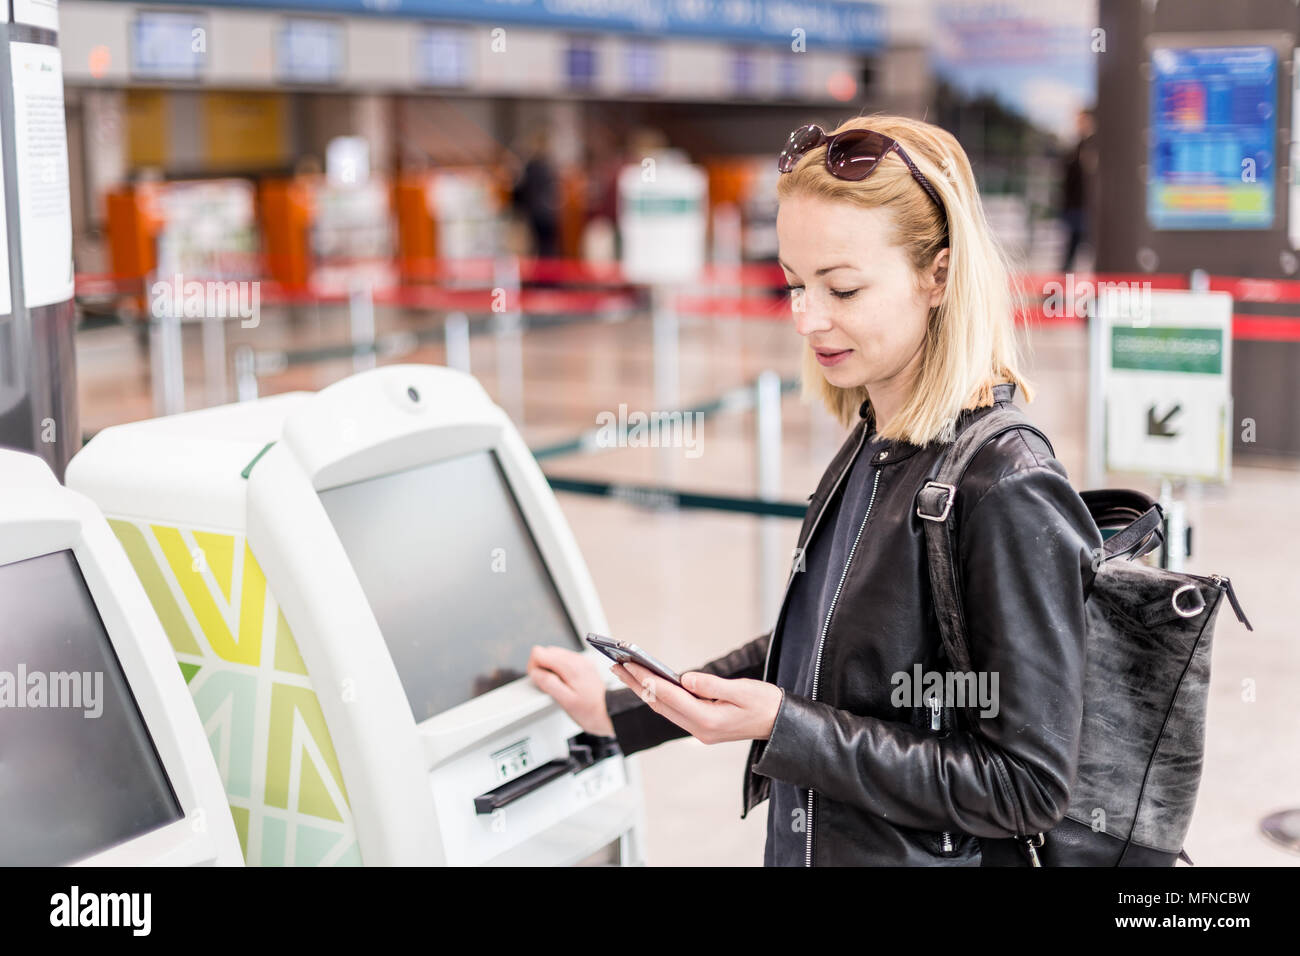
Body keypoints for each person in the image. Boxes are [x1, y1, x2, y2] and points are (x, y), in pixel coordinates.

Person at [527, 114, 1101, 866]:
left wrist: (786, 727)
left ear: (941, 274)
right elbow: (826, 650)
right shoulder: (877, 435)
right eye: (796, 284)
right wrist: (626, 713)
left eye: (843, 288)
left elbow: (1025, 783)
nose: (807, 318)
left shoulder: (1006, 483)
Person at [1059, 107, 1096, 272]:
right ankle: (1057, 290)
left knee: (1089, 252)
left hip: (1086, 209)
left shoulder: (1093, 146)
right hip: (1075, 208)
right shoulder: (1077, 147)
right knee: (1070, 252)